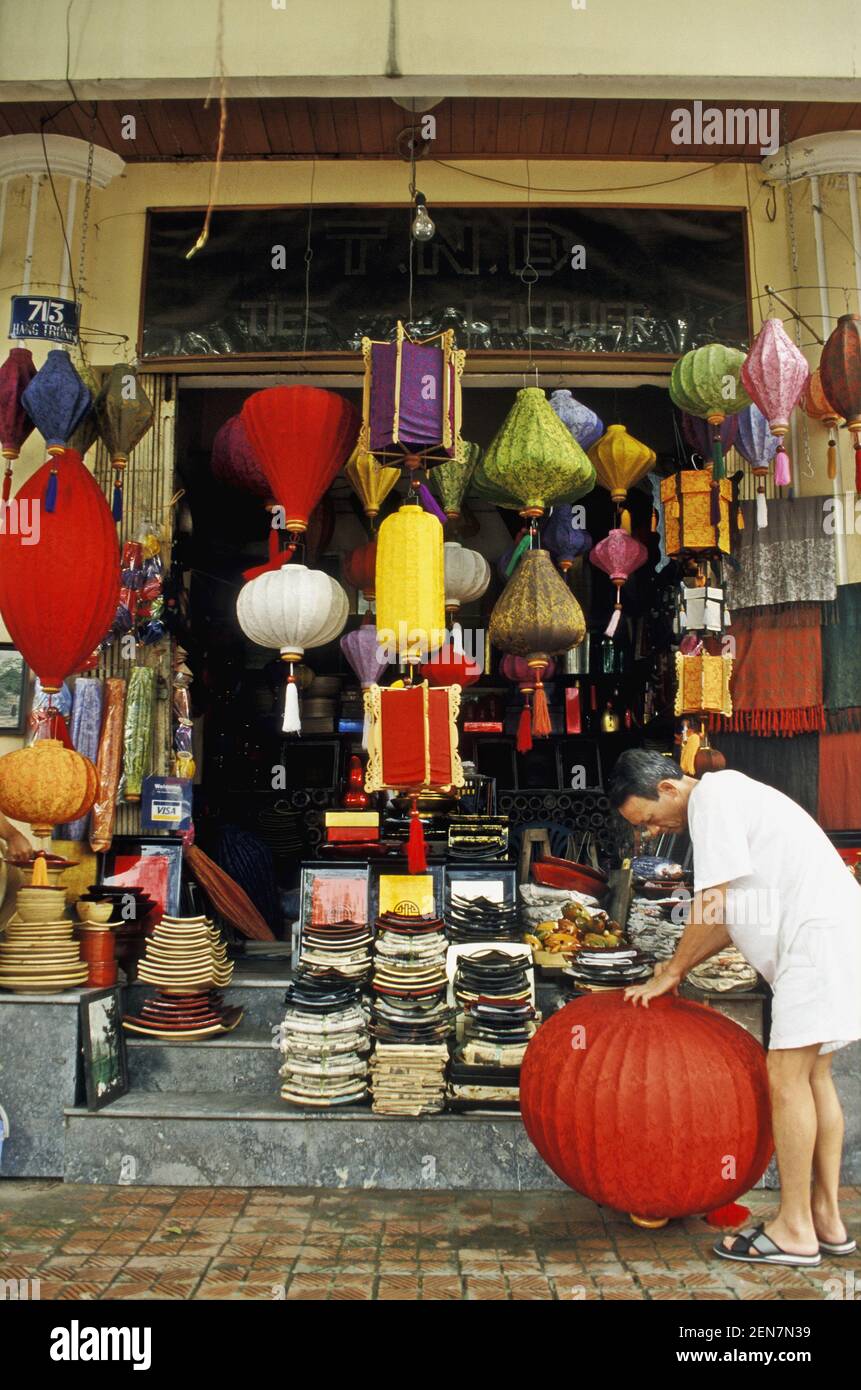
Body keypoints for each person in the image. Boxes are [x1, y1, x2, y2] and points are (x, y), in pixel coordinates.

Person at [609, 749, 861, 1269]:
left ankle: (793, 1229)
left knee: (786, 1077)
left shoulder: (714, 799)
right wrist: (672, 968)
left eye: (650, 820)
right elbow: (731, 918)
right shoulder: (731, 800)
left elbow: (713, 904)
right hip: (832, 937)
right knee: (815, 1077)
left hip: (813, 944)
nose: (653, 833)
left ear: (668, 789)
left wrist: (673, 971)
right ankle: (825, 1218)